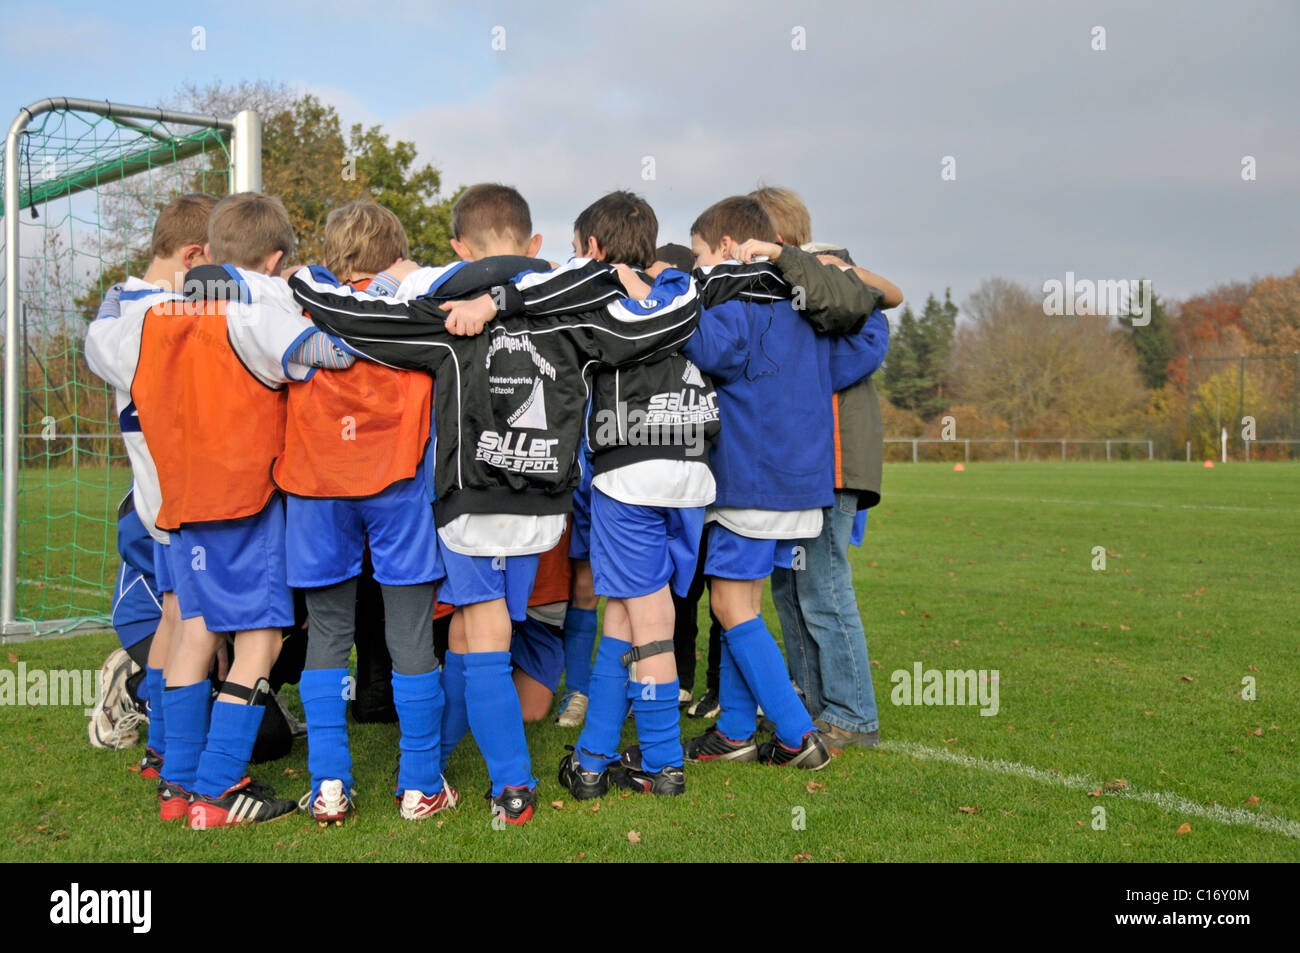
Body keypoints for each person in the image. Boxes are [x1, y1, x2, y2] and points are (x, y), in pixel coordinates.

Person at [288, 239, 700, 823]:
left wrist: (308, 281)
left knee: (482, 628)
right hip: (543, 507)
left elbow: (356, 319)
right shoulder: (576, 323)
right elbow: (672, 317)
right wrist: (653, 281)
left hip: (471, 502)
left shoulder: (450, 322)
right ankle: (430, 771)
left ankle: (511, 788)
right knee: (471, 633)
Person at [135, 191, 349, 827]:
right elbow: (330, 355)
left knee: (197, 634)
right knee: (258, 638)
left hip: (180, 503)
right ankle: (220, 787)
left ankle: (176, 783)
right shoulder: (255, 314)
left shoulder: (157, 317)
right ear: (276, 258)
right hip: (244, 500)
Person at [679, 195, 888, 769]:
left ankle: (799, 737)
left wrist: (671, 299)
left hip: (752, 482)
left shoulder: (735, 301)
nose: (697, 266)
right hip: (802, 485)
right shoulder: (811, 312)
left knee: (730, 606)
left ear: (725, 249)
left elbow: (703, 347)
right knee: (744, 604)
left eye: (699, 254)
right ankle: (738, 731)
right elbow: (861, 349)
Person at [275, 200, 450, 825]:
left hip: (319, 482)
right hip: (398, 478)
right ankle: (419, 783)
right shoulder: (414, 305)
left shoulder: (298, 305)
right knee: (408, 631)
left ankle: (329, 786)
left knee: (327, 633)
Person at [556, 192, 718, 800]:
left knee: (649, 620)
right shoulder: (680, 284)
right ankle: (593, 760)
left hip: (631, 470)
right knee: (622, 615)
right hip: (690, 470)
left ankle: (663, 763)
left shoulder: (595, 295)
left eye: (579, 249)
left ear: (593, 248)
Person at [750, 185, 902, 747]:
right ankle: (813, 702)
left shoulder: (840, 284)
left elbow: (855, 354)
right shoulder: (791, 285)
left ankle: (854, 713)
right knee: (789, 586)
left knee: (823, 584)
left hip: (834, 461)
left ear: (779, 239)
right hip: (800, 464)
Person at [84, 194, 218, 815]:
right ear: (195, 256)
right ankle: (186, 777)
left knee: (174, 616)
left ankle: (163, 751)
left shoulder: (113, 320)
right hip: (197, 499)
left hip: (155, 501)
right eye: (222, 264)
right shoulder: (176, 316)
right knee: (197, 624)